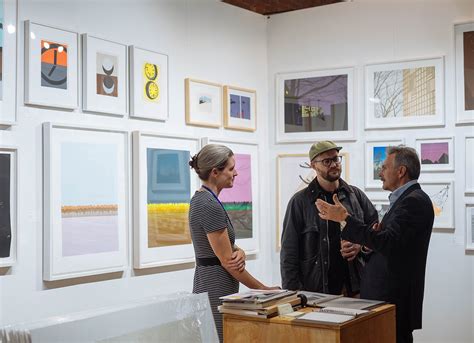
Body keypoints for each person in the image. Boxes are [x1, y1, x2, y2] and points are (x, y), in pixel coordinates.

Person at [316, 145, 433, 343]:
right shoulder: (405, 200)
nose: (380, 172)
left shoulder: (413, 201)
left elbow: (388, 243)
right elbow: (389, 243)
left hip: (394, 302)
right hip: (386, 301)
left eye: (384, 167)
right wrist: (366, 245)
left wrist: (344, 218)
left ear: (401, 171)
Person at [188, 144, 276, 342]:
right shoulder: (208, 205)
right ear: (215, 172)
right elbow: (228, 262)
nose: (235, 173)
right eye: (231, 169)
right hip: (214, 286)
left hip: (213, 282)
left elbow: (224, 247)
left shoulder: (203, 200)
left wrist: (240, 251)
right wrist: (264, 289)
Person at [280, 141, 378, 296]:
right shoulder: (300, 202)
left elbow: (377, 233)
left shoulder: (355, 196)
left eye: (336, 159)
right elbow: (289, 253)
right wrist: (292, 294)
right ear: (313, 165)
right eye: (327, 161)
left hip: (356, 287)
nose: (334, 164)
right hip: (317, 291)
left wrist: (360, 245)